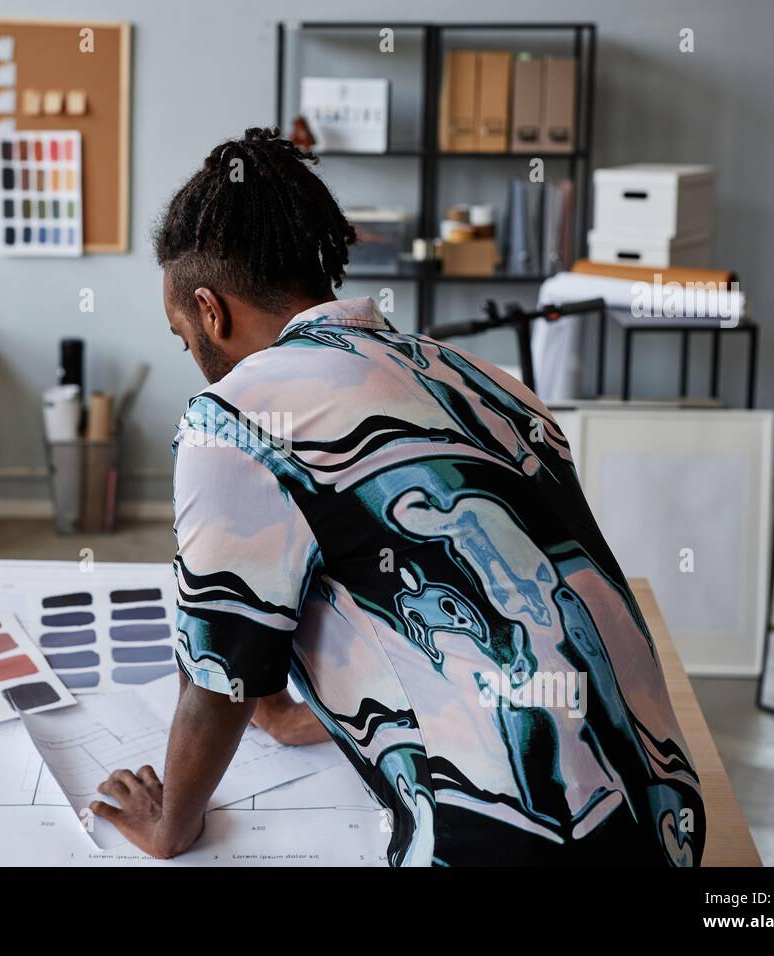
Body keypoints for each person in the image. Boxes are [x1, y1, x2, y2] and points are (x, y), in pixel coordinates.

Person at [90, 127, 707, 866]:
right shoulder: (488, 382)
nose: (194, 357)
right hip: (666, 824)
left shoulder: (237, 417)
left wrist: (170, 827)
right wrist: (297, 713)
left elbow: (218, 674)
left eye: (183, 336)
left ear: (209, 311)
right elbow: (513, 623)